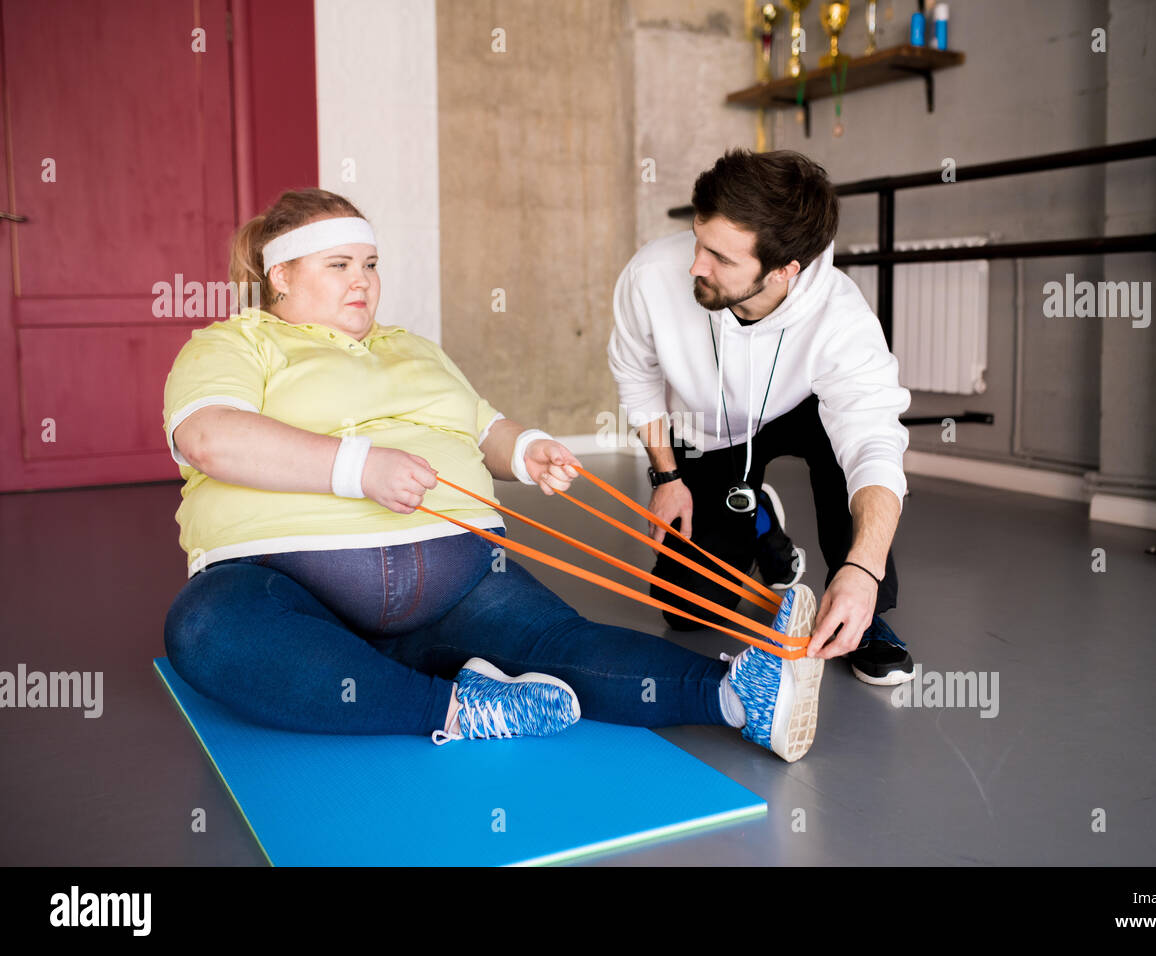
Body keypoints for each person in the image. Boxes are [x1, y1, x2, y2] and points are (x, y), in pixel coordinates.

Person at [161, 187, 823, 762]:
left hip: (461, 576)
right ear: (279, 276)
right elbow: (208, 436)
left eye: (369, 264)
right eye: (338, 265)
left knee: (565, 642)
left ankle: (740, 696)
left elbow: (482, 427)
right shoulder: (234, 342)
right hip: (286, 581)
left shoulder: (413, 348)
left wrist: (525, 448)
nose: (361, 280)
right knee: (205, 628)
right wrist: (358, 468)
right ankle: (450, 707)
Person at [607, 149, 916, 685]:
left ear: (783, 270)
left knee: (848, 456)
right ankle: (760, 523)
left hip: (803, 410)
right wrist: (667, 476)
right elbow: (638, 377)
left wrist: (863, 568)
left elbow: (875, 446)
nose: (696, 266)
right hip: (711, 426)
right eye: (699, 241)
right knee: (688, 612)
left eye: (721, 259)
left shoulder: (840, 317)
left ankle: (867, 614)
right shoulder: (650, 276)